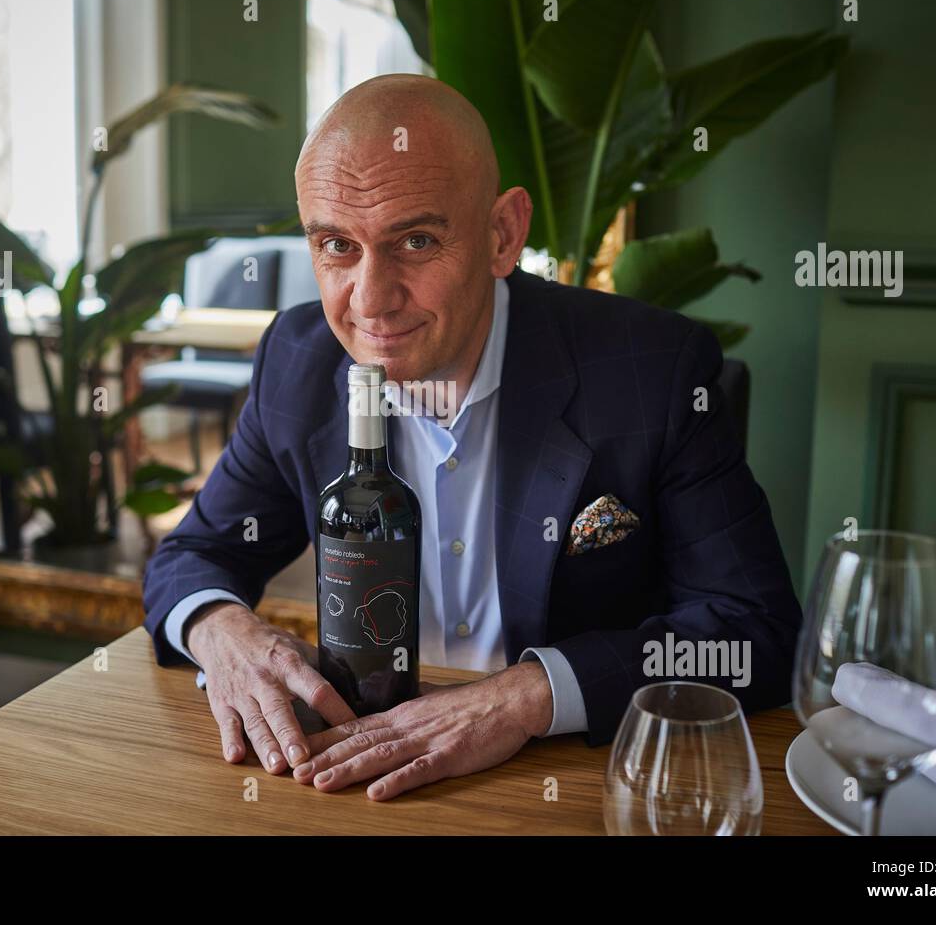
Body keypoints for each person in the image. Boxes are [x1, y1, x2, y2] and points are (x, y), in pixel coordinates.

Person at [142, 74, 801, 801]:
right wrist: (222, 632)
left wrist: (524, 697)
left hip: (576, 779)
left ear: (502, 234)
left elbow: (755, 633)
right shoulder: (298, 360)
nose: (370, 299)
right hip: (351, 777)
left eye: (416, 240)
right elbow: (197, 552)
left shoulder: (653, 371)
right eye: (335, 244)